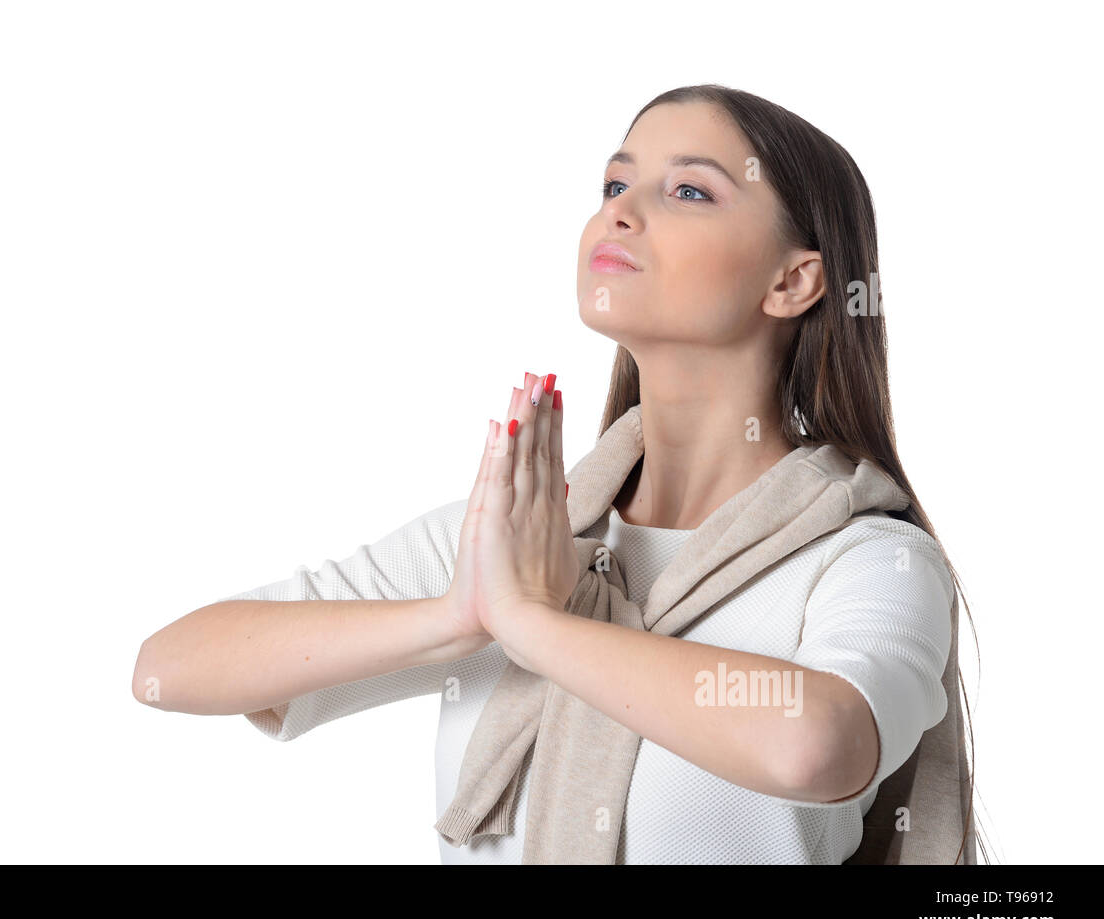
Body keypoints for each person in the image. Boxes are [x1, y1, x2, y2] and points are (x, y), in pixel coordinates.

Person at [132, 84, 986, 865]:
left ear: (793, 280)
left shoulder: (871, 559)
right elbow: (170, 667)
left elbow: (820, 744)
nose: (620, 214)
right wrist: (456, 615)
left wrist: (533, 626)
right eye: (615, 186)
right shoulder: (517, 537)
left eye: (688, 190)